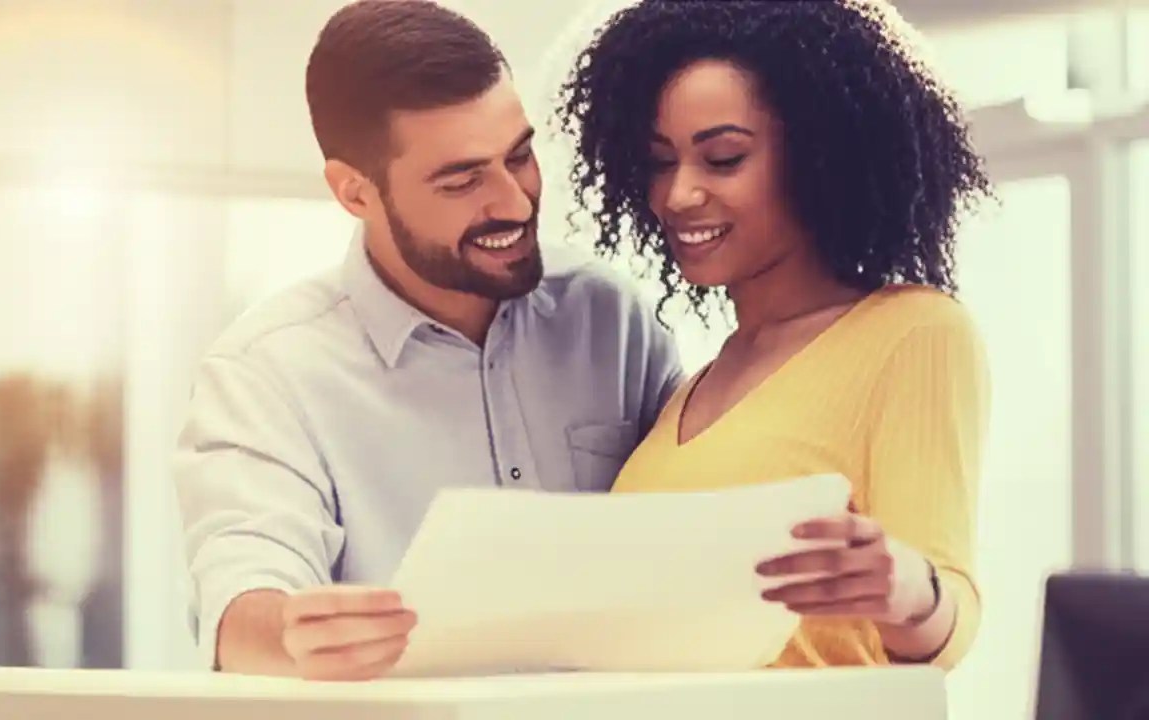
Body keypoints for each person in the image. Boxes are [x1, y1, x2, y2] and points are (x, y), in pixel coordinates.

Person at [172, 0, 683, 681]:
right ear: (355, 193)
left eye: (520, 155)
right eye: (463, 179)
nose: (515, 202)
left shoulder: (608, 316)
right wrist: (294, 637)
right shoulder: (266, 373)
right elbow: (242, 595)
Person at [556, 0, 991, 669]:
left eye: (723, 158)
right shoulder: (697, 383)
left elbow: (948, 618)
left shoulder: (913, 333)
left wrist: (909, 591)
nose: (677, 196)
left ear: (820, 158)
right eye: (659, 163)